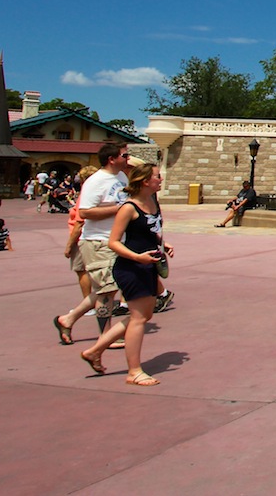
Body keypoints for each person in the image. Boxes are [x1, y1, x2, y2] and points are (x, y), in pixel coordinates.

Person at [79, 162, 173, 387]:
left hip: (149, 264)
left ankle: (94, 350)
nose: (160, 180)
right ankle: (134, 371)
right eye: (157, 177)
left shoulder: (153, 202)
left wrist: (162, 243)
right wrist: (137, 257)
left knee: (142, 316)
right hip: (131, 267)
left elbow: (151, 229)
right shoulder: (128, 208)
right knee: (139, 318)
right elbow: (113, 242)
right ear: (144, 181)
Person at [54, 143, 130, 346]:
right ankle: (106, 336)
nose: (128, 158)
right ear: (112, 158)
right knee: (106, 291)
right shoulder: (96, 181)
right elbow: (85, 212)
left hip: (116, 240)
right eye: (125, 155)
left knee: (106, 288)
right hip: (98, 241)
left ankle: (67, 319)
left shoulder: (121, 177)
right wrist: (118, 209)